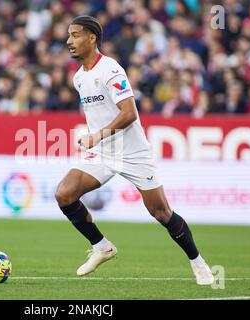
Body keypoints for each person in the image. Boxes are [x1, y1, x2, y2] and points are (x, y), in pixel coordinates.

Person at [55, 15, 214, 285]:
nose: (69, 41)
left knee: (161, 213)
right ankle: (102, 246)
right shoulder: (79, 77)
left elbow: (129, 113)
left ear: (92, 38)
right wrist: (97, 139)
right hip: (103, 152)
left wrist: (98, 135)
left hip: (133, 152)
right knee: (64, 194)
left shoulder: (111, 69)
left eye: (76, 34)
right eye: (69, 35)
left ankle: (198, 263)